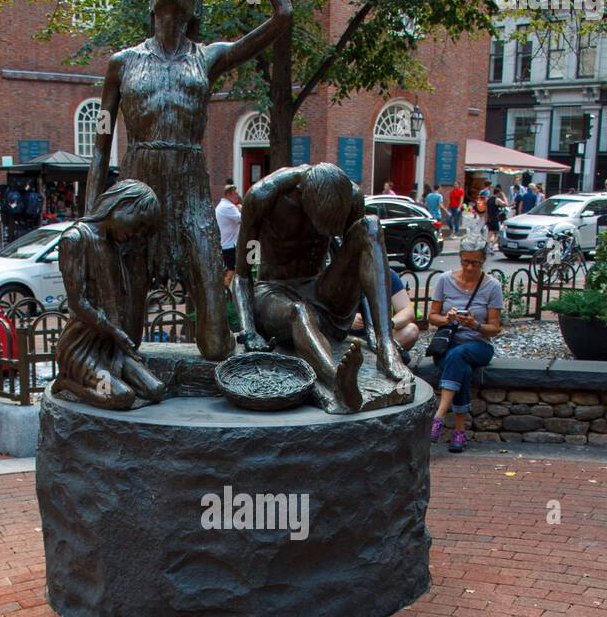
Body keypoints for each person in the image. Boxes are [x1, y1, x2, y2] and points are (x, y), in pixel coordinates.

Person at [85, 0, 292, 364]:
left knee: (216, 345)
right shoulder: (121, 64)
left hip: (191, 188)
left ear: (193, 5)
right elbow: (102, 142)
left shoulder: (209, 57)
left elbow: (282, 15)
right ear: (151, 3)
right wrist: (91, 218)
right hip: (137, 187)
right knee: (129, 334)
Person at [232, 162, 414, 412]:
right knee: (299, 311)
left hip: (321, 292)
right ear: (306, 199)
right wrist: (249, 330)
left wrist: (373, 331)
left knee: (369, 226)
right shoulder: (264, 197)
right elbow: (243, 275)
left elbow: (362, 268)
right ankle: (337, 379)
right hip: (275, 292)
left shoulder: (352, 197)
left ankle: (386, 348)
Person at [55, 180, 166, 410]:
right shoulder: (75, 239)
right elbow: (78, 302)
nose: (136, 233)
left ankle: (113, 379)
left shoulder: (115, 246)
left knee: (155, 390)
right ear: (122, 206)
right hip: (82, 349)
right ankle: (67, 383)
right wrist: (115, 332)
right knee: (121, 397)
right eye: (138, 224)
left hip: (111, 347)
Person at [428, 236, 503, 453]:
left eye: (475, 263)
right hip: (449, 344)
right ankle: (459, 431)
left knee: (459, 356)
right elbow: (432, 317)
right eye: (465, 262)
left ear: (483, 262)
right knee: (462, 367)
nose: (469, 267)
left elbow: (495, 328)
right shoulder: (445, 280)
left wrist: (475, 324)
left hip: (478, 344)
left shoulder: (492, 286)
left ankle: (439, 415)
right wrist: (448, 319)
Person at [215, 182, 242, 286]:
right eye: (235, 194)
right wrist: (241, 208)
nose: (237, 197)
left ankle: (225, 290)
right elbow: (242, 219)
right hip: (229, 245)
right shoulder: (228, 207)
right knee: (232, 269)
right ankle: (224, 293)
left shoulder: (222, 205)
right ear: (228, 195)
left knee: (229, 269)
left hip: (225, 243)